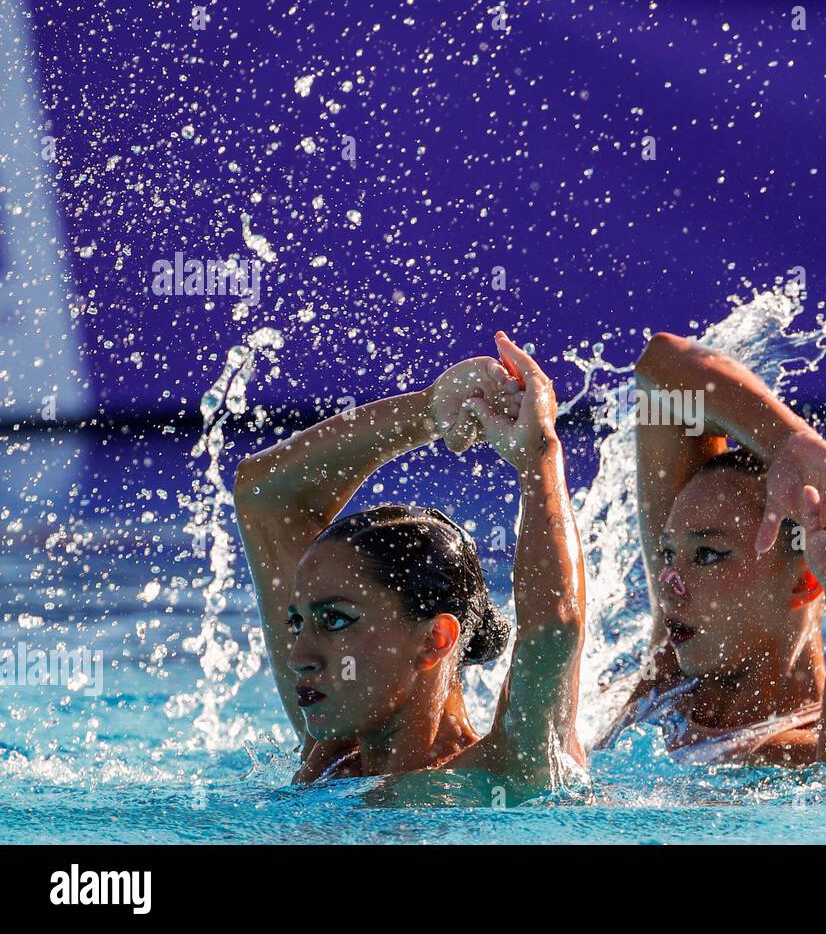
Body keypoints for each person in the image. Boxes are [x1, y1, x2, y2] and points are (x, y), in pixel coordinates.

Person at [234, 332, 586, 801]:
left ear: (434, 639)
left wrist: (538, 457)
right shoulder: (333, 751)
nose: (299, 656)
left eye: (335, 621)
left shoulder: (510, 770)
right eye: (298, 623)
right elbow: (267, 498)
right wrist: (429, 412)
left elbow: (554, 626)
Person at [596, 332, 826, 766]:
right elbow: (659, 369)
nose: (669, 584)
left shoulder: (805, 749)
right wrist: (786, 440)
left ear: (806, 580)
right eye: (667, 554)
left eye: (707, 555)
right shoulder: (670, 669)